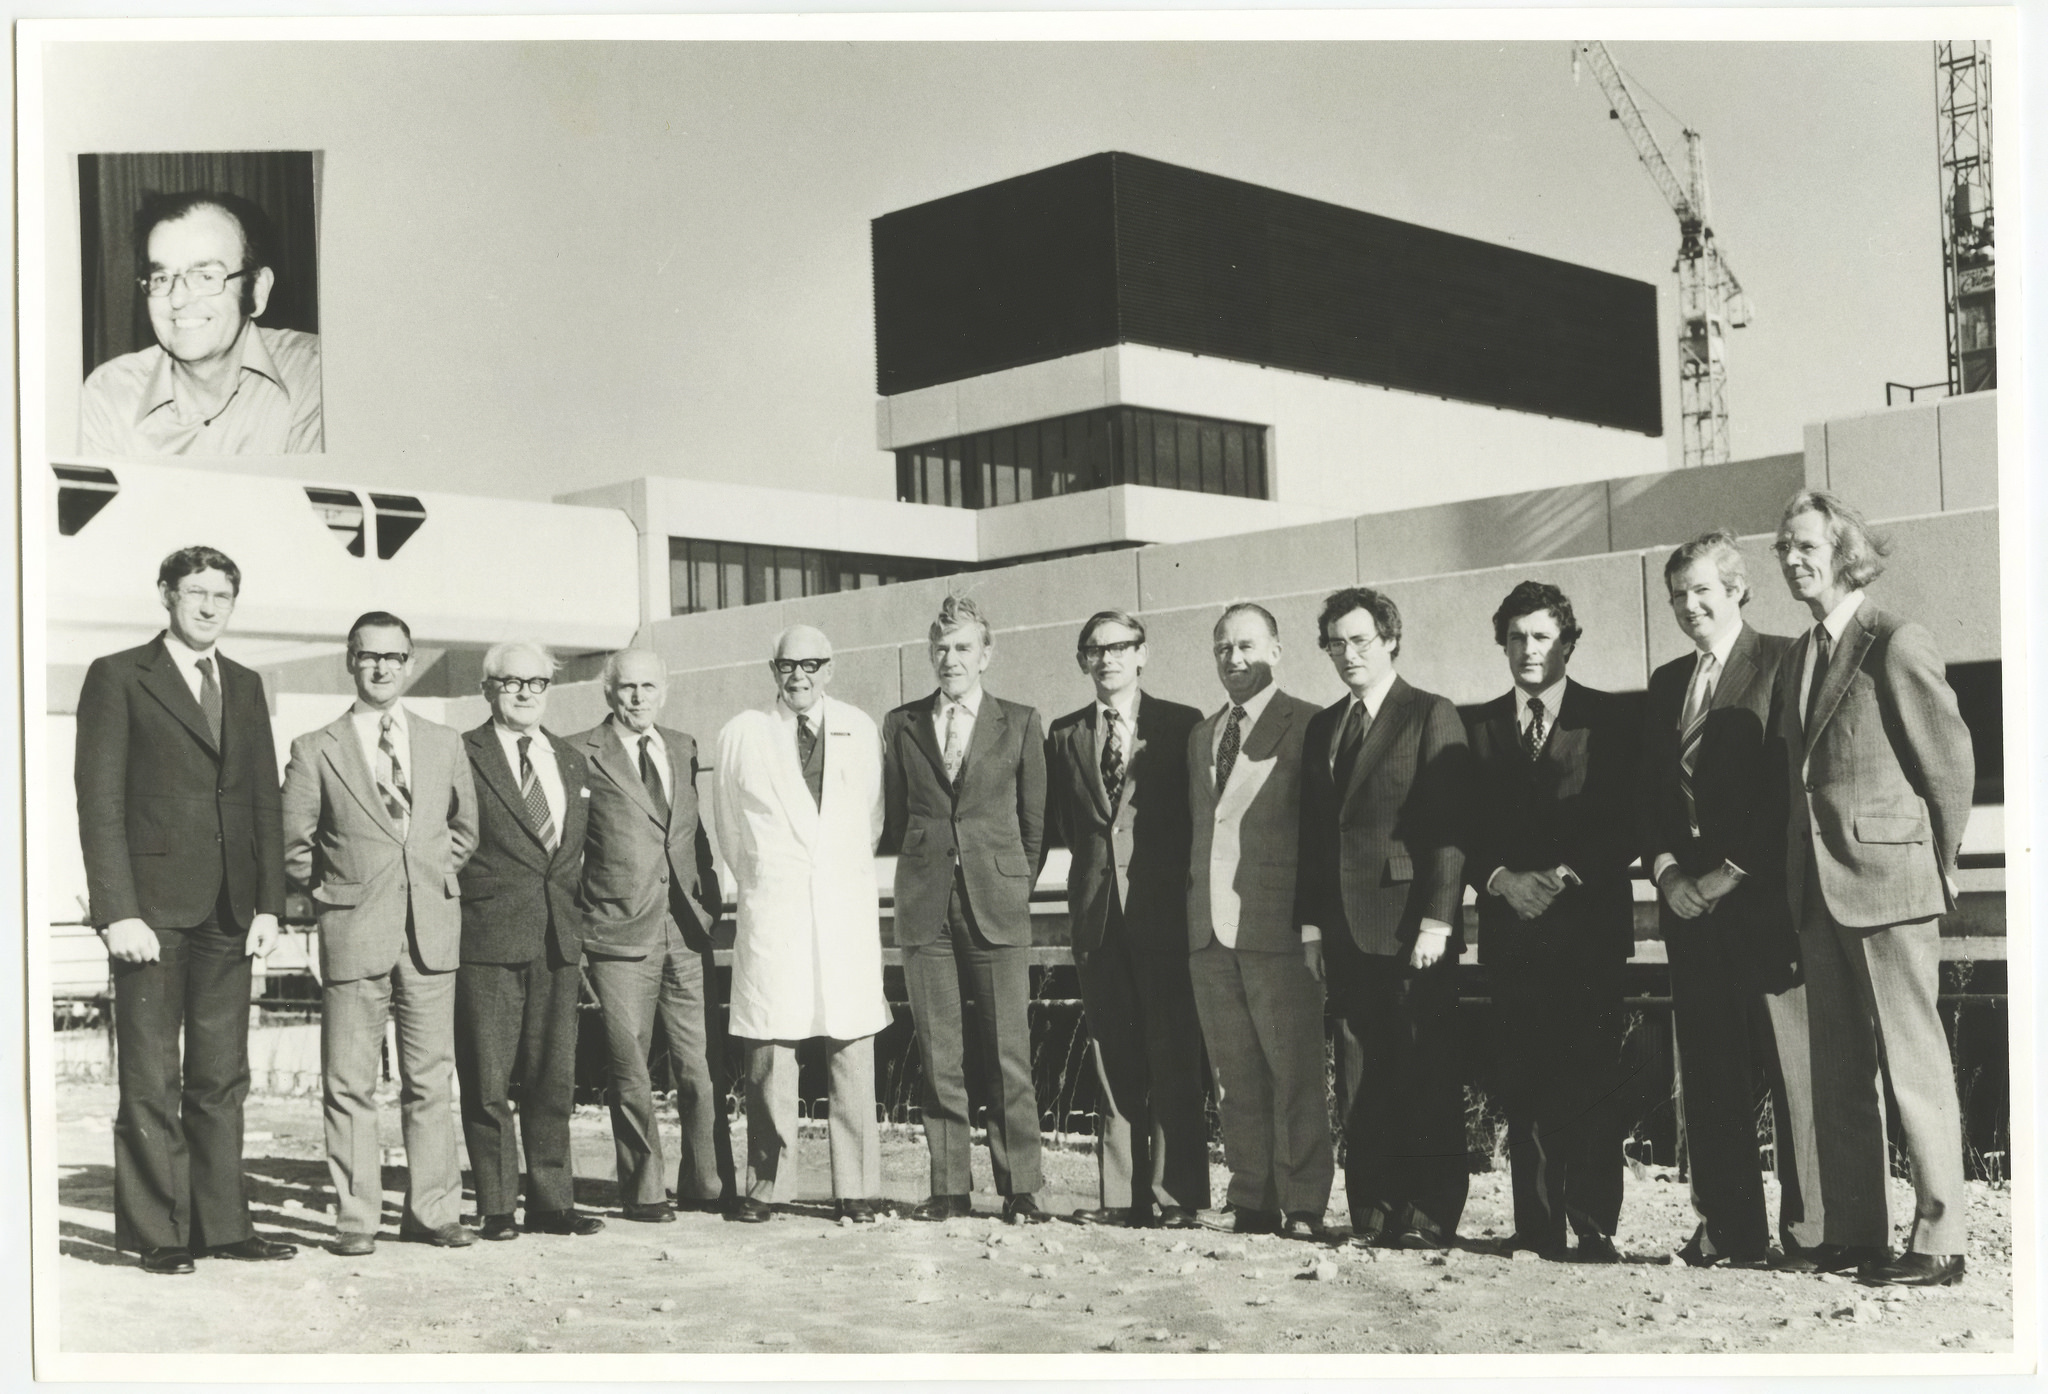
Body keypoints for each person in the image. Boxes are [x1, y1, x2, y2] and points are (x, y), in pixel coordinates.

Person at [1769, 490, 1975, 1288]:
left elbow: (1947, 764)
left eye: (1805, 545)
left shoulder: (1893, 641)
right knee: (1840, 1071)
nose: (1792, 559)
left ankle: (1940, 1239)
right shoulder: (1800, 655)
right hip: (1818, 895)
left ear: (1846, 549)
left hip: (1890, 886)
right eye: (1783, 547)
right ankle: (1858, 1232)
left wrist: (1939, 862)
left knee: (1912, 1066)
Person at [73, 545, 297, 1273]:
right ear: (166, 594)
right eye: (196, 592)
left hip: (232, 911)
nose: (208, 606)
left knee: (220, 1075)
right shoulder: (118, 677)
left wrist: (270, 903)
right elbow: (99, 802)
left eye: (222, 596)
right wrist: (117, 911)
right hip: (153, 913)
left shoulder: (245, 682)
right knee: (149, 1076)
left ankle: (223, 1225)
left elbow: (264, 798)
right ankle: (159, 1232)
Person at [1637, 532, 1819, 1269]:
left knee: (1792, 1077)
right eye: (1678, 595)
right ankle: (1728, 1231)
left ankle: (1812, 1234)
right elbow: (1648, 796)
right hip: (1691, 915)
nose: (1689, 606)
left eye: (1702, 591)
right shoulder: (1664, 683)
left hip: (1766, 910)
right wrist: (1669, 874)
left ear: (1738, 588)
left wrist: (1731, 872)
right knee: (1710, 1079)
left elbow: (1787, 786)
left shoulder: (1785, 661)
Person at [281, 611, 478, 1255]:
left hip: (430, 932)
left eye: (394, 657)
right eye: (369, 656)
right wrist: (345, 893)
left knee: (429, 1079)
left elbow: (463, 834)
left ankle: (432, 1211)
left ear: (410, 661)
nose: (382, 667)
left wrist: (421, 878)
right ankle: (357, 1218)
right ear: (350, 660)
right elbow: (295, 848)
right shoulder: (316, 748)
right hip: (354, 930)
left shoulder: (443, 742)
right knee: (349, 1081)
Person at [1465, 580, 1638, 1263]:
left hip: (1587, 931)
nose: (1527, 649)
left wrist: (1560, 877)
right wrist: (1503, 881)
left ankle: (1594, 1227)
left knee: (1591, 1081)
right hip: (1511, 934)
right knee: (1525, 1082)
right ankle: (1535, 1226)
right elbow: (1462, 828)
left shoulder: (1613, 720)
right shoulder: (1475, 727)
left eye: (1541, 636)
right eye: (1515, 637)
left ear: (1568, 641)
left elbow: (1625, 818)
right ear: (1501, 643)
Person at [1296, 587, 1472, 1250]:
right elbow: (1317, 834)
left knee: (1423, 1071)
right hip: (1341, 929)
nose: (1347, 654)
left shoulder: (1430, 714)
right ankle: (1370, 1209)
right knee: (1359, 1070)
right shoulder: (1324, 727)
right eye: (1336, 643)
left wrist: (1438, 920)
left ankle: (1428, 1214)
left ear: (1390, 639)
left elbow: (1451, 830)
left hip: (1408, 926)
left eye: (1360, 640)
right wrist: (1311, 927)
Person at [881, 596, 1050, 1224]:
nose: (951, 660)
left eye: (963, 648)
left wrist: (1009, 883)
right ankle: (949, 1186)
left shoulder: (1022, 722)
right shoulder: (900, 724)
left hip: (997, 902)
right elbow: (897, 818)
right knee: (938, 1051)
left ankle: (1021, 1187)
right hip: (925, 904)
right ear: (931, 654)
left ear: (987, 654)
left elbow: (1034, 825)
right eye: (941, 649)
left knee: (1010, 1051)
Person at [713, 626, 890, 1224]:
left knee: (851, 1048)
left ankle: (857, 1188)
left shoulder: (860, 728)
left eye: (812, 664)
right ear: (773, 669)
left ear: (830, 669)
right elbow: (731, 832)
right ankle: (767, 1186)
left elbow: (871, 818)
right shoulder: (742, 733)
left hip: (842, 909)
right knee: (771, 1053)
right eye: (788, 665)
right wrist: (772, 879)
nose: (800, 675)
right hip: (776, 911)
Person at [1043, 610, 1208, 1229]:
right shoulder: (1064, 735)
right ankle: (1121, 1197)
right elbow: (1062, 825)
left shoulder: (1181, 725)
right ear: (1083, 661)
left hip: (1163, 912)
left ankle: (1176, 1197)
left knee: (1173, 1053)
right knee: (1112, 1057)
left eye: (1120, 647)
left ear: (1143, 654)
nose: (1107, 658)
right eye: (1094, 649)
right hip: (1096, 916)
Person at [566, 649, 732, 1223]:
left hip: (686, 930)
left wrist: (709, 907)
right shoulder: (579, 752)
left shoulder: (683, 746)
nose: (638, 697)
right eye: (627, 687)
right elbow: (570, 851)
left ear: (665, 690)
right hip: (617, 931)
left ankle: (706, 1183)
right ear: (609, 692)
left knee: (700, 1065)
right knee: (629, 1065)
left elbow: (693, 834)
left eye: (649, 687)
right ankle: (643, 1191)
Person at [1185, 603, 1332, 1240]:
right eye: (1222, 648)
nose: (1234, 659)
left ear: (1276, 648)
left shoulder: (1310, 724)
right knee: (1234, 1073)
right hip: (1208, 931)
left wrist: (1312, 927)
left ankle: (1302, 1203)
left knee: (1293, 1070)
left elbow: (1322, 834)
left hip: (1276, 924)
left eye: (1246, 646)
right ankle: (1252, 1197)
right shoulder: (1202, 733)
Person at [455, 642, 603, 1240]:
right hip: (487, 935)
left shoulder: (569, 760)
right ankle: (495, 1204)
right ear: (488, 688)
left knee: (552, 1077)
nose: (524, 692)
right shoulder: (462, 753)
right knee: (488, 1079)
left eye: (537, 683)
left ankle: (551, 1201)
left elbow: (579, 853)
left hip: (556, 937)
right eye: (511, 681)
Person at [80, 191, 323, 457]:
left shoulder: (315, 376)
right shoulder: (109, 394)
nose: (178, 298)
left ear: (256, 291)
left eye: (206, 276)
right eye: (161, 278)